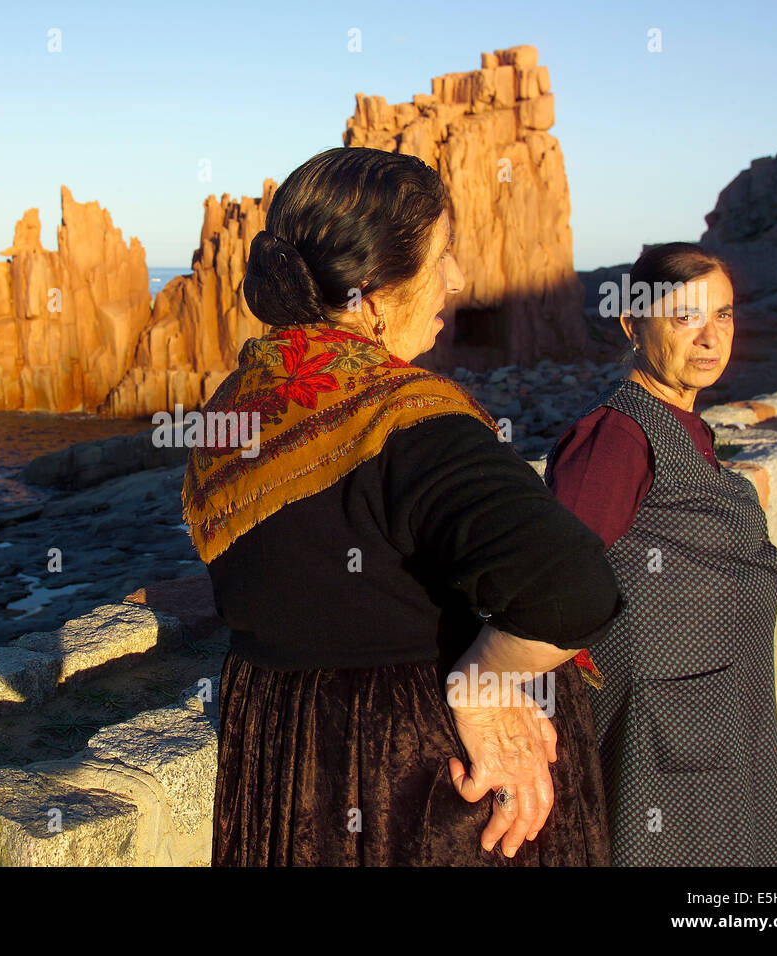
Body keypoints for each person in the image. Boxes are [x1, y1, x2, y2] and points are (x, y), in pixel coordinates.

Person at [181, 146, 623, 866]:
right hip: (426, 793)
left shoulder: (228, 420)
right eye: (442, 254)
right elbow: (570, 587)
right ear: (374, 294)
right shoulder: (411, 422)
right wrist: (483, 684)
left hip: (287, 768)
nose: (457, 279)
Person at [545, 242, 777, 866]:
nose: (710, 338)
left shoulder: (686, 423)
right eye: (684, 317)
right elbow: (552, 577)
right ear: (633, 324)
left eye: (724, 316)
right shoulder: (616, 435)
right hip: (659, 738)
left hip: (723, 714)